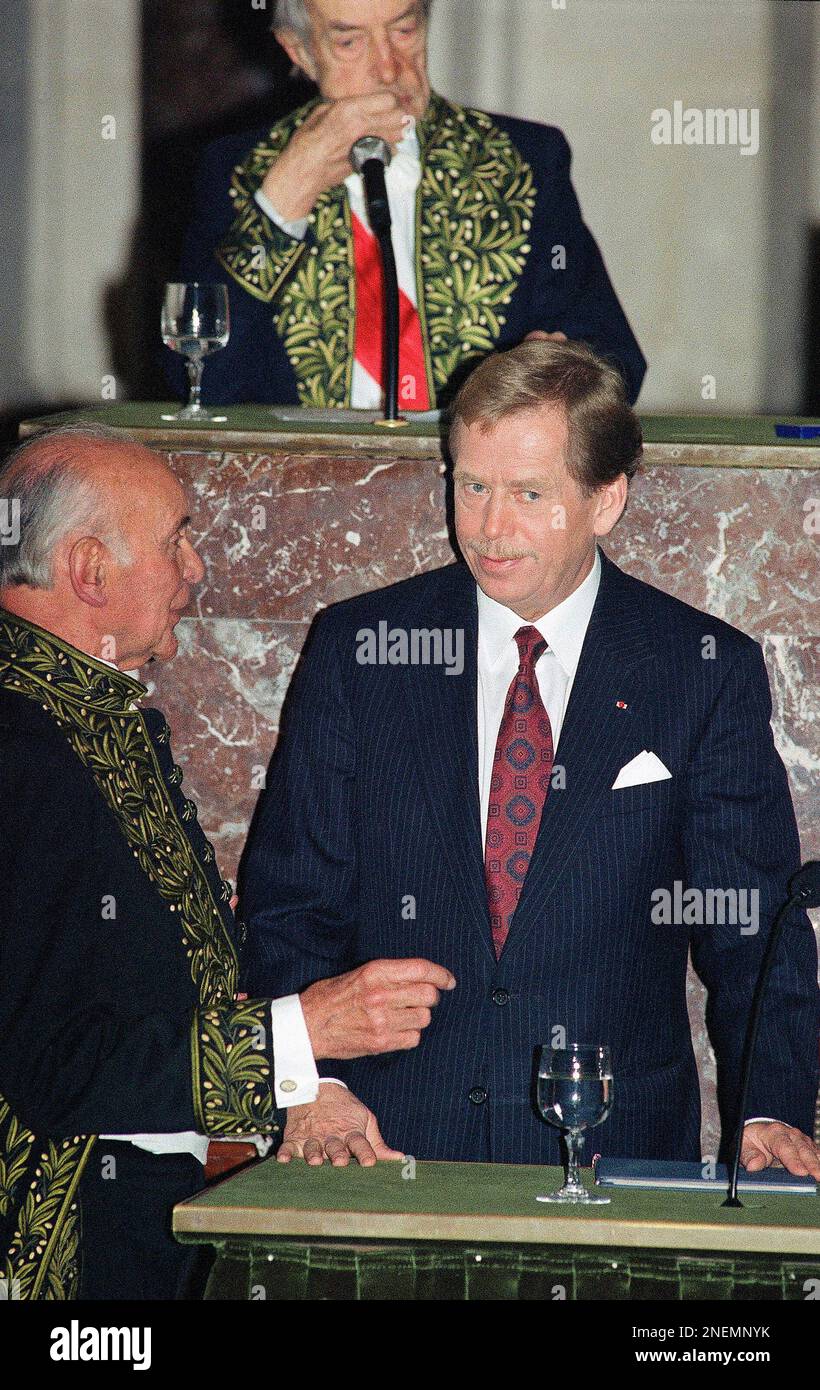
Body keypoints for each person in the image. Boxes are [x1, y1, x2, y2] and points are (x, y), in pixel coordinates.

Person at [242, 339, 820, 1177]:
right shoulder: (361, 649)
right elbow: (291, 905)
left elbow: (749, 928)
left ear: (606, 499)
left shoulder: (700, 669)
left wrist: (767, 1108)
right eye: (471, 486)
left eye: (529, 493)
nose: (489, 527)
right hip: (378, 1143)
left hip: (611, 1152)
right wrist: (310, 1086)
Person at [0, 425, 453, 1300]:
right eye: (177, 538)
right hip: (62, 1246)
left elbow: (152, 993)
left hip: (141, 1220)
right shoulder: (21, 746)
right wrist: (303, 1031)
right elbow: (57, 1067)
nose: (198, 568)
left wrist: (301, 1086)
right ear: (91, 571)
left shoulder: (92, 715)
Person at [172, 0, 646, 410]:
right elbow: (196, 382)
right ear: (300, 52)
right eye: (350, 42)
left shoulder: (524, 160)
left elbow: (616, 359)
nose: (388, 68)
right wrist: (283, 199)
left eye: (404, 30)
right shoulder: (237, 171)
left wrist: (560, 371)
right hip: (295, 493)